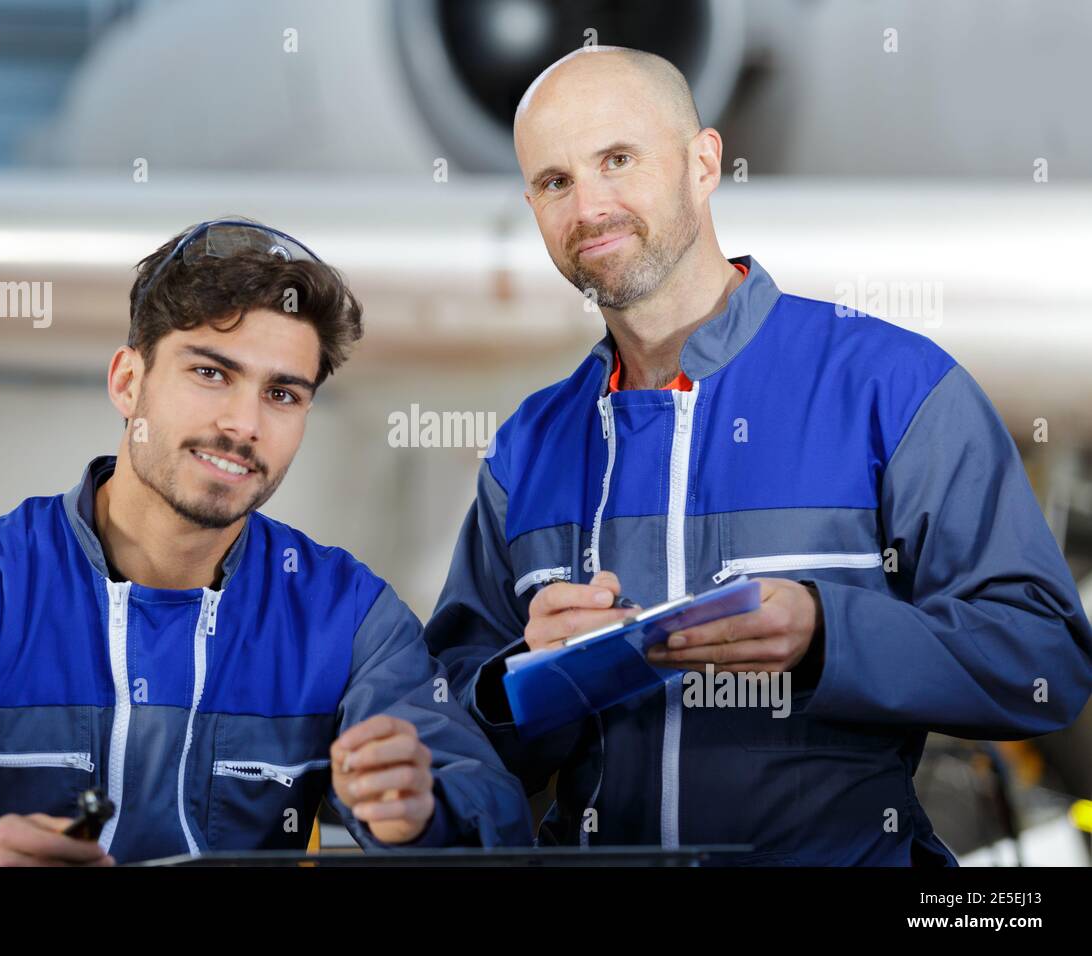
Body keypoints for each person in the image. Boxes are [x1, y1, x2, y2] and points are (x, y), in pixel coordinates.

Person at [423, 48, 1092, 864]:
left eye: (617, 160)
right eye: (556, 182)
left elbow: (1043, 662)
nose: (589, 206)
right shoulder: (527, 449)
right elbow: (443, 725)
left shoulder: (893, 388)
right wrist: (518, 680)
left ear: (704, 163)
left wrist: (825, 634)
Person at [0, 218, 531, 865]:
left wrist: (420, 817)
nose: (244, 424)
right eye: (211, 372)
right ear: (127, 380)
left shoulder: (350, 619)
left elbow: (495, 817)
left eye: (282, 393)